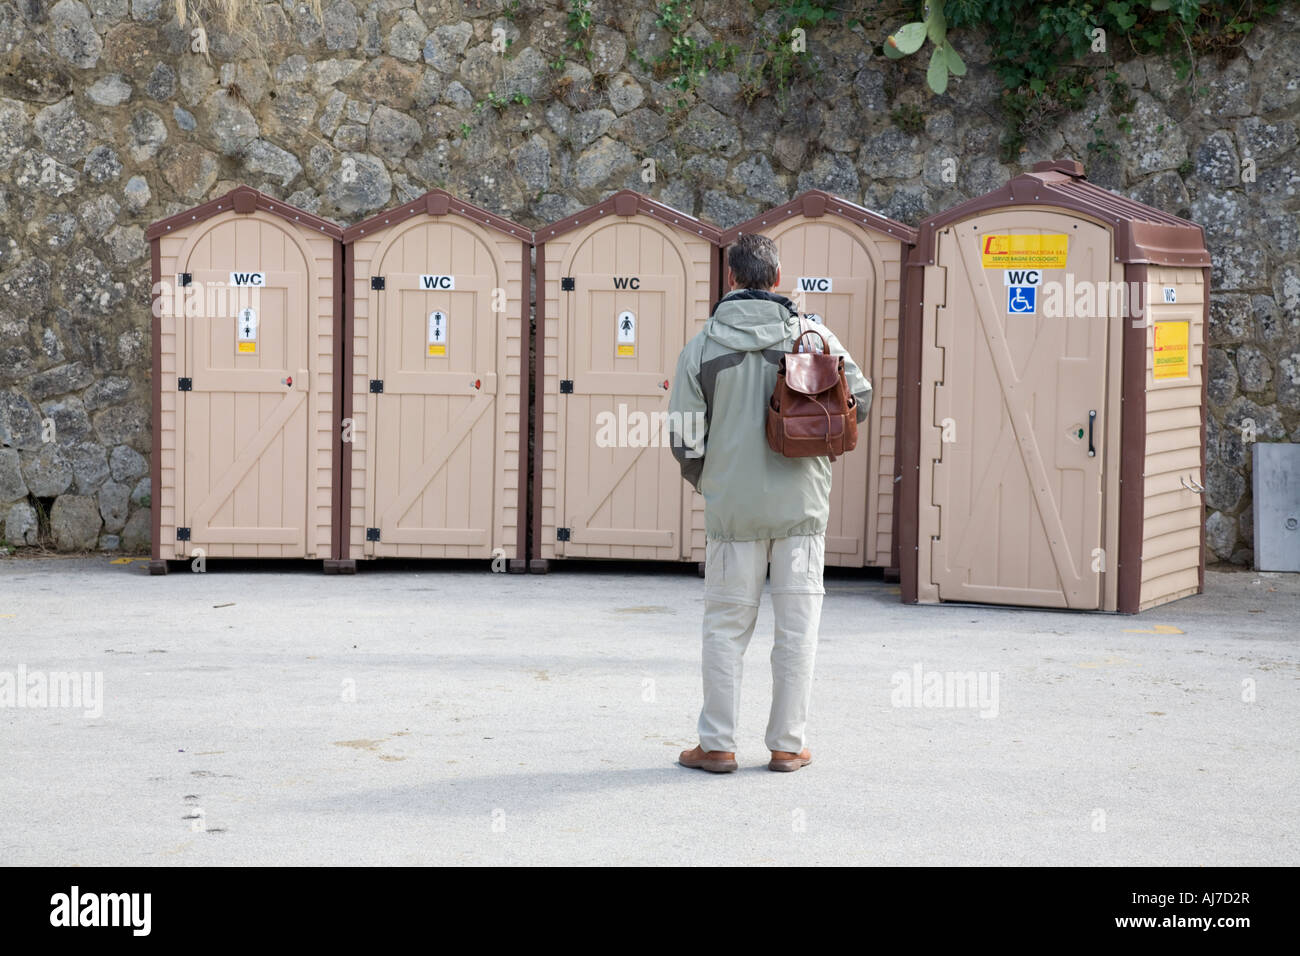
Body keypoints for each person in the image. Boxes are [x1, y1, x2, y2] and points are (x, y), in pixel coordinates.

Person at [667, 233, 872, 773]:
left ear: (731, 279)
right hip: (802, 507)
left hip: (733, 511)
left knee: (725, 629)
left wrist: (713, 481)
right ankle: (786, 745)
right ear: (778, 279)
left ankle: (717, 746)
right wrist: (816, 450)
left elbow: (685, 435)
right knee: (797, 629)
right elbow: (862, 397)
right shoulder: (812, 335)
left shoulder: (705, 343)